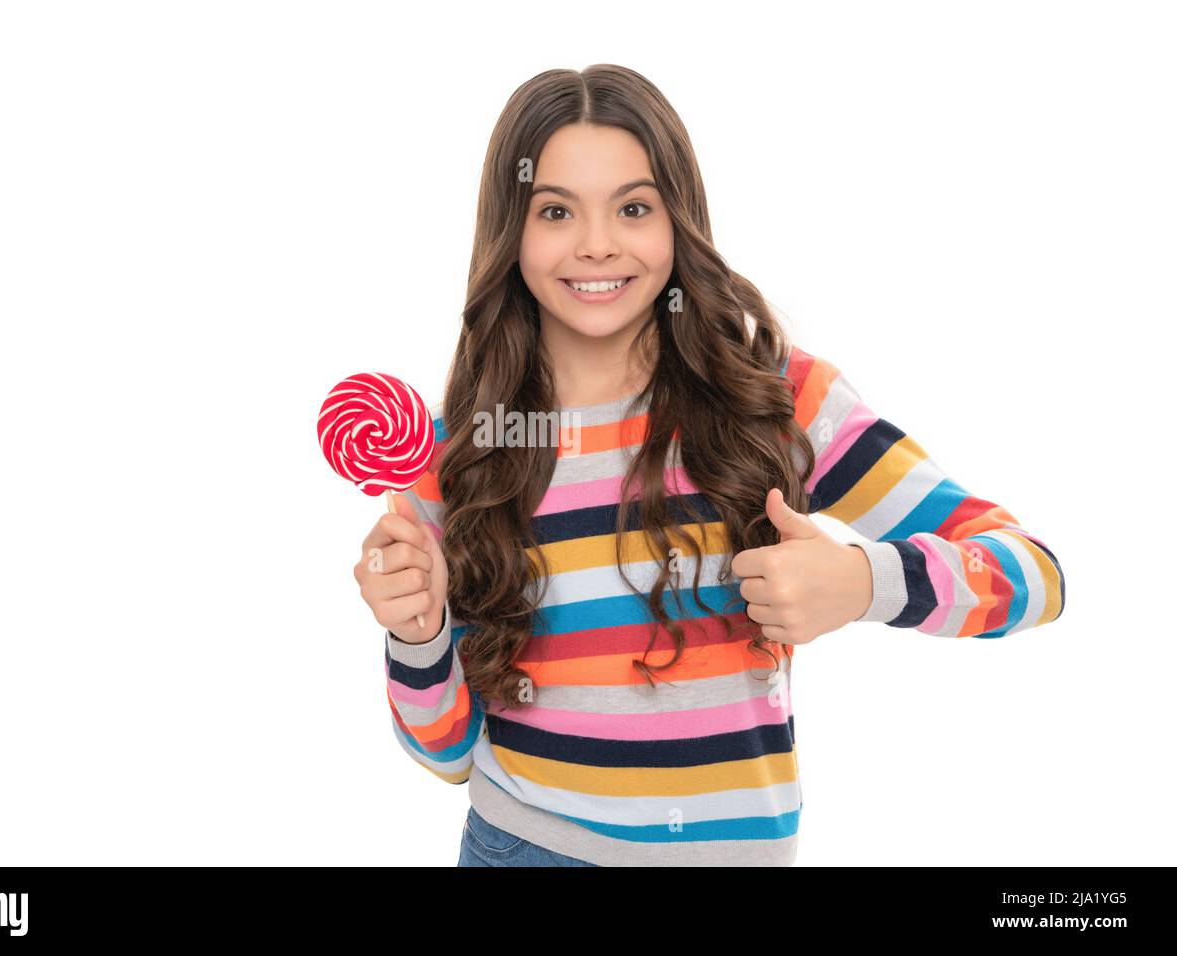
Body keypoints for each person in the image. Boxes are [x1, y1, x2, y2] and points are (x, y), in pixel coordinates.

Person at [355, 64, 1066, 867]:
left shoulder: (780, 399)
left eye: (632, 207)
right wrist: (416, 634)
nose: (596, 243)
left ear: (678, 219)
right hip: (523, 848)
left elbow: (1033, 575)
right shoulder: (460, 451)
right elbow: (443, 756)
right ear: (510, 232)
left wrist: (862, 582)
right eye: (555, 210)